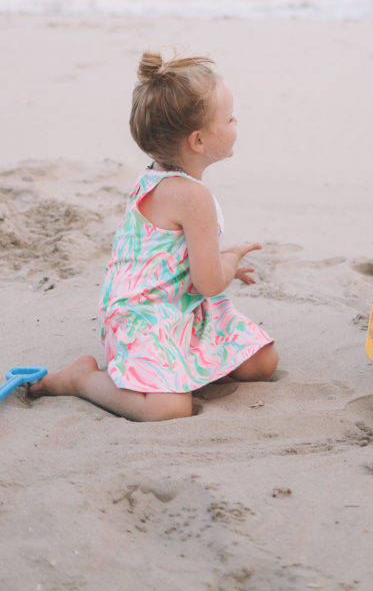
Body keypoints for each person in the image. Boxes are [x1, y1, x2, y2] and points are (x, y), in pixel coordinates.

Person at [31, 52, 277, 421]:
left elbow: (182, 262)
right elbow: (209, 282)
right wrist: (228, 260)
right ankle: (82, 379)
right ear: (197, 141)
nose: (235, 121)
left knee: (262, 361)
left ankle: (180, 368)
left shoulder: (158, 176)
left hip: (182, 305)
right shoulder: (194, 197)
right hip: (143, 315)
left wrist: (216, 260)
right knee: (168, 408)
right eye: (228, 118)